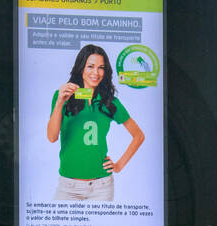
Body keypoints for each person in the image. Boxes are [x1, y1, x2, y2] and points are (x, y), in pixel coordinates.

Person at [46, 44, 146, 202]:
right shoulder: (62, 96)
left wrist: (119, 165)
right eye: (90, 66)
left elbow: (138, 135)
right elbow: (52, 137)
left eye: (101, 68)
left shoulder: (109, 102)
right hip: (68, 187)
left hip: (102, 187)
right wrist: (59, 102)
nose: (96, 72)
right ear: (81, 68)